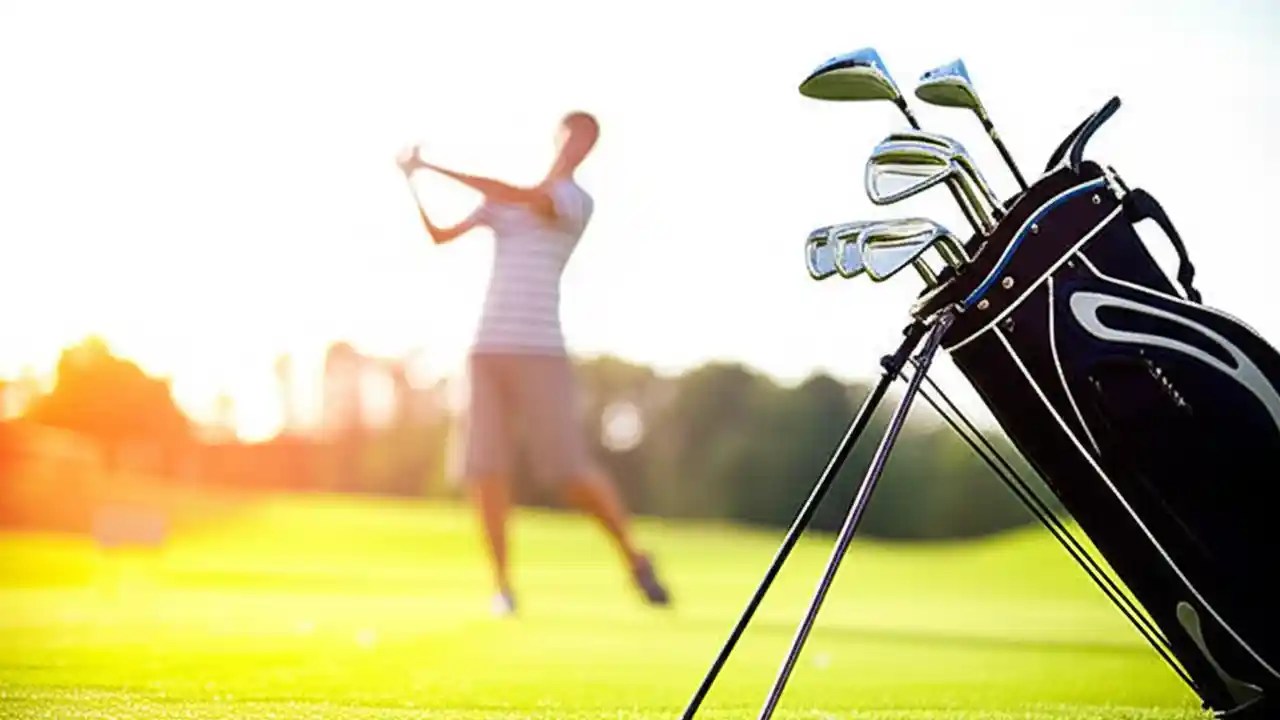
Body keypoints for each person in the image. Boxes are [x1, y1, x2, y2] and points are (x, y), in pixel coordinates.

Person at [396, 111, 671, 616]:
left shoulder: (572, 202)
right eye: (571, 136)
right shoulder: (500, 205)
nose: (576, 146)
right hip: (487, 348)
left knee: (567, 471)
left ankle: (634, 558)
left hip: (540, 349)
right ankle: (502, 587)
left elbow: (520, 196)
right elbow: (440, 234)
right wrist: (412, 182)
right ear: (558, 138)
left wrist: (430, 166)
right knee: (486, 469)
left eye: (586, 141)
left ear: (590, 150)